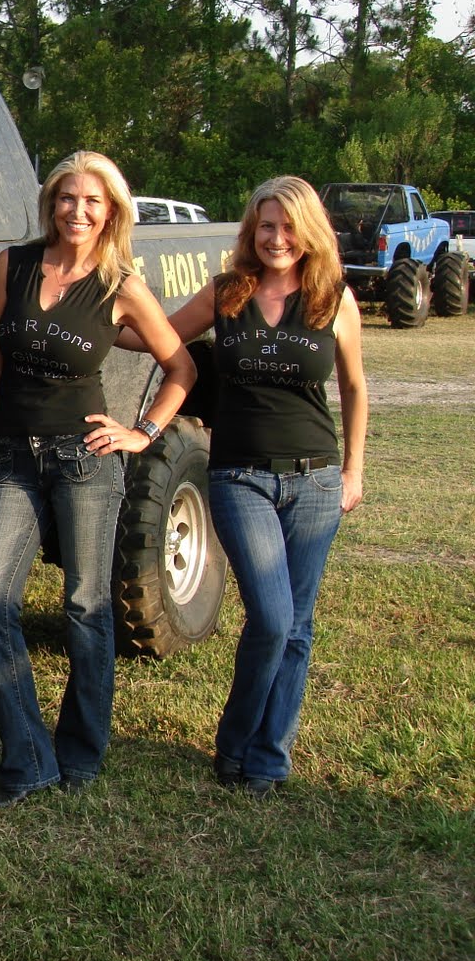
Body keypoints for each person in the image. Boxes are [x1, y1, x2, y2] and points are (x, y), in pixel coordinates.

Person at [0, 151, 195, 807]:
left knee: (86, 607)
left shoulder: (120, 284)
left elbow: (181, 366)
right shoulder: (14, 263)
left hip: (85, 460)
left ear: (112, 211)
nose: (78, 211)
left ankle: (81, 751)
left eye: (93, 202)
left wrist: (141, 433)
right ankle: (29, 754)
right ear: (51, 203)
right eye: (68, 198)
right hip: (14, 457)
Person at [130, 175, 366, 796]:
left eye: (288, 227)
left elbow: (355, 389)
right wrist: (102, 310)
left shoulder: (333, 298)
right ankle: (234, 741)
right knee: (272, 617)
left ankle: (266, 756)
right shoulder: (228, 293)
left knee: (297, 627)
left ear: (308, 231)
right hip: (239, 477)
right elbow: (160, 336)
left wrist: (353, 472)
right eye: (266, 226)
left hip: (315, 482)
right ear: (251, 230)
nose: (277, 238)